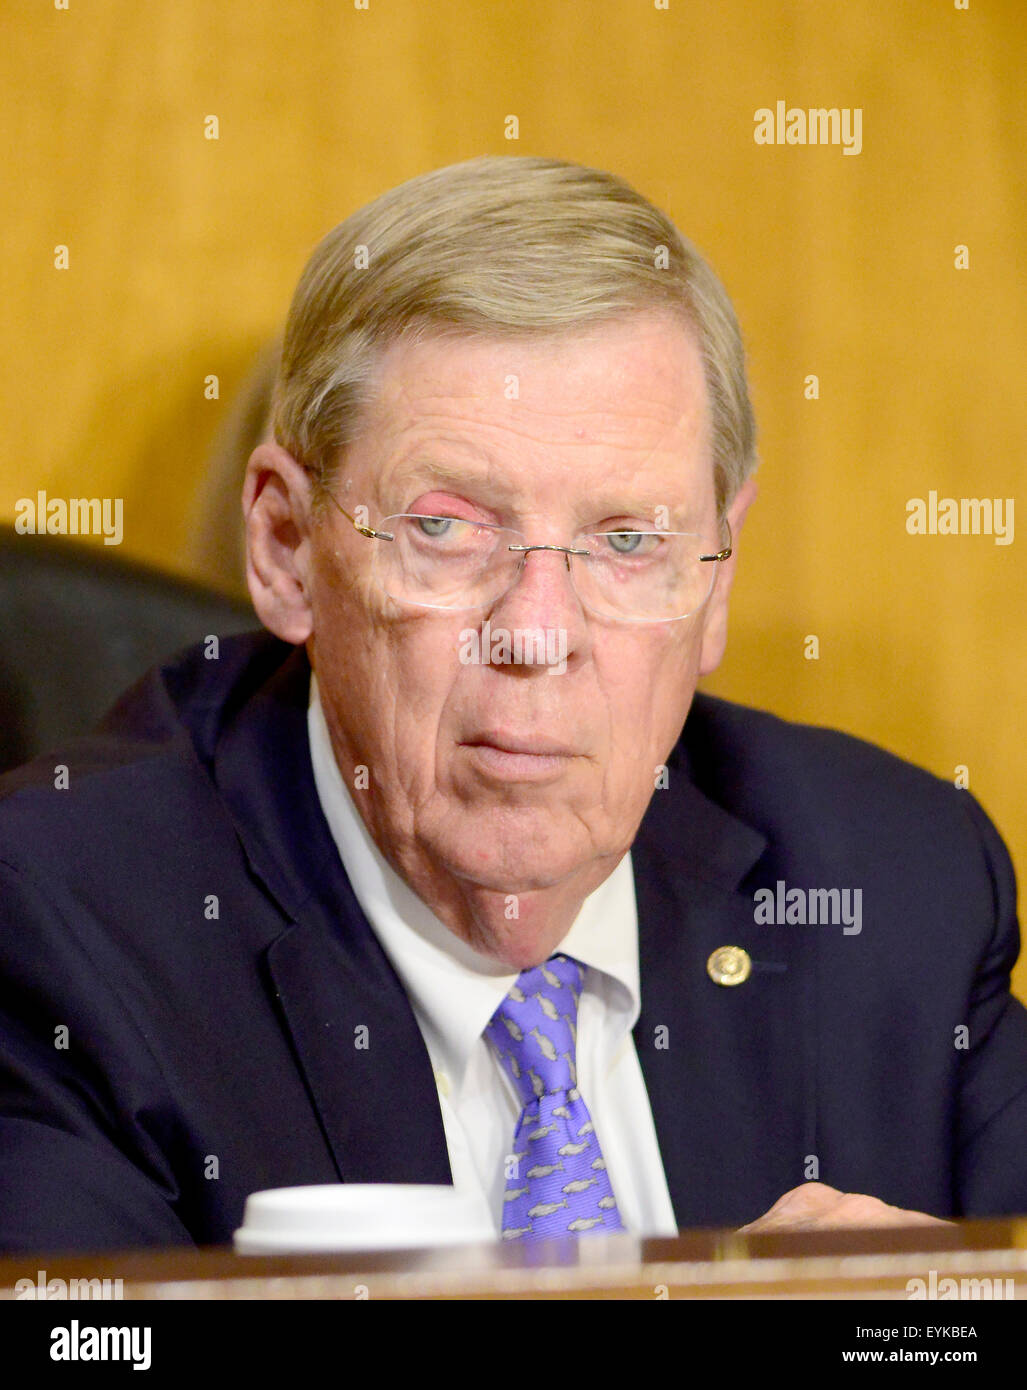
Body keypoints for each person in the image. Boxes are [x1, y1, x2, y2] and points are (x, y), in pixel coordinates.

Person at [1, 155, 1024, 1253]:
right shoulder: (60, 929)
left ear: (716, 579)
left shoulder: (893, 888)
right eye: (448, 527)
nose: (537, 633)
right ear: (288, 548)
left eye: (628, 540)